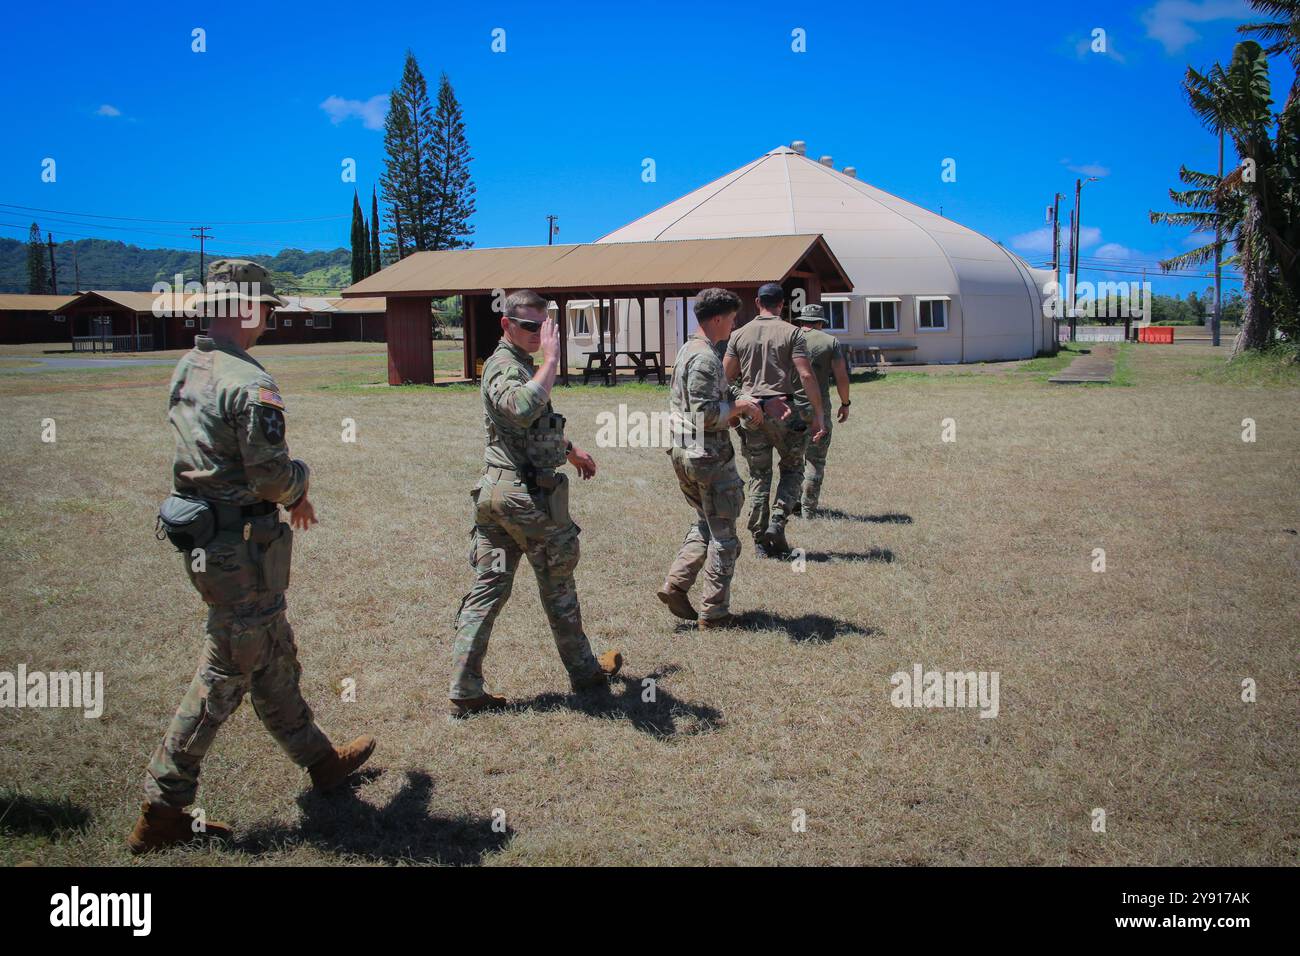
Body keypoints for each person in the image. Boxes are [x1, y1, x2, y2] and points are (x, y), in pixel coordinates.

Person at [129, 259, 375, 855]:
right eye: (266, 307)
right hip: (237, 547)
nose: (268, 318)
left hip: (206, 538)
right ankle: (164, 806)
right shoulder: (248, 380)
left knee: (269, 652)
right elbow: (269, 477)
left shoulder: (189, 365)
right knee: (228, 668)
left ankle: (320, 760)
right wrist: (302, 484)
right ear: (246, 309)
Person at [449, 290, 623, 717]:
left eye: (545, 327)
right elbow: (522, 407)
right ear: (506, 325)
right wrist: (550, 361)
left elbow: (531, 430)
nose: (538, 334)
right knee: (558, 586)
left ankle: (465, 688)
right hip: (523, 499)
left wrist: (570, 449)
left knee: (488, 590)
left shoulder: (520, 365)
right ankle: (585, 674)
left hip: (498, 497)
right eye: (529, 326)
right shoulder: (505, 366)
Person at [657, 289, 784, 629]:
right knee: (725, 537)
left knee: (705, 522)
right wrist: (740, 407)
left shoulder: (692, 350)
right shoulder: (703, 357)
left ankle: (676, 585)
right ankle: (714, 613)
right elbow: (705, 413)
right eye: (730, 318)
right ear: (716, 319)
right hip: (706, 454)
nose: (733, 324)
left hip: (685, 453)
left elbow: (721, 391)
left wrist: (743, 397)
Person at [723, 283, 826, 557]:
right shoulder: (792, 333)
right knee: (792, 469)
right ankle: (778, 520)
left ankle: (759, 539)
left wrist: (738, 405)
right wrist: (818, 414)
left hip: (751, 411)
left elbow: (724, 378)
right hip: (785, 411)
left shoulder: (739, 335)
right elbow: (805, 375)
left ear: (757, 302)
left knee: (759, 474)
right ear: (783, 304)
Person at [789, 304, 851, 517]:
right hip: (819, 408)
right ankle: (808, 509)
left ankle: (790, 504)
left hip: (790, 407)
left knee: (792, 460)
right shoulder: (830, 342)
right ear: (820, 322)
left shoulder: (788, 337)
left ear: (801, 320)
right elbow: (841, 377)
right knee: (816, 460)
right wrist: (845, 403)